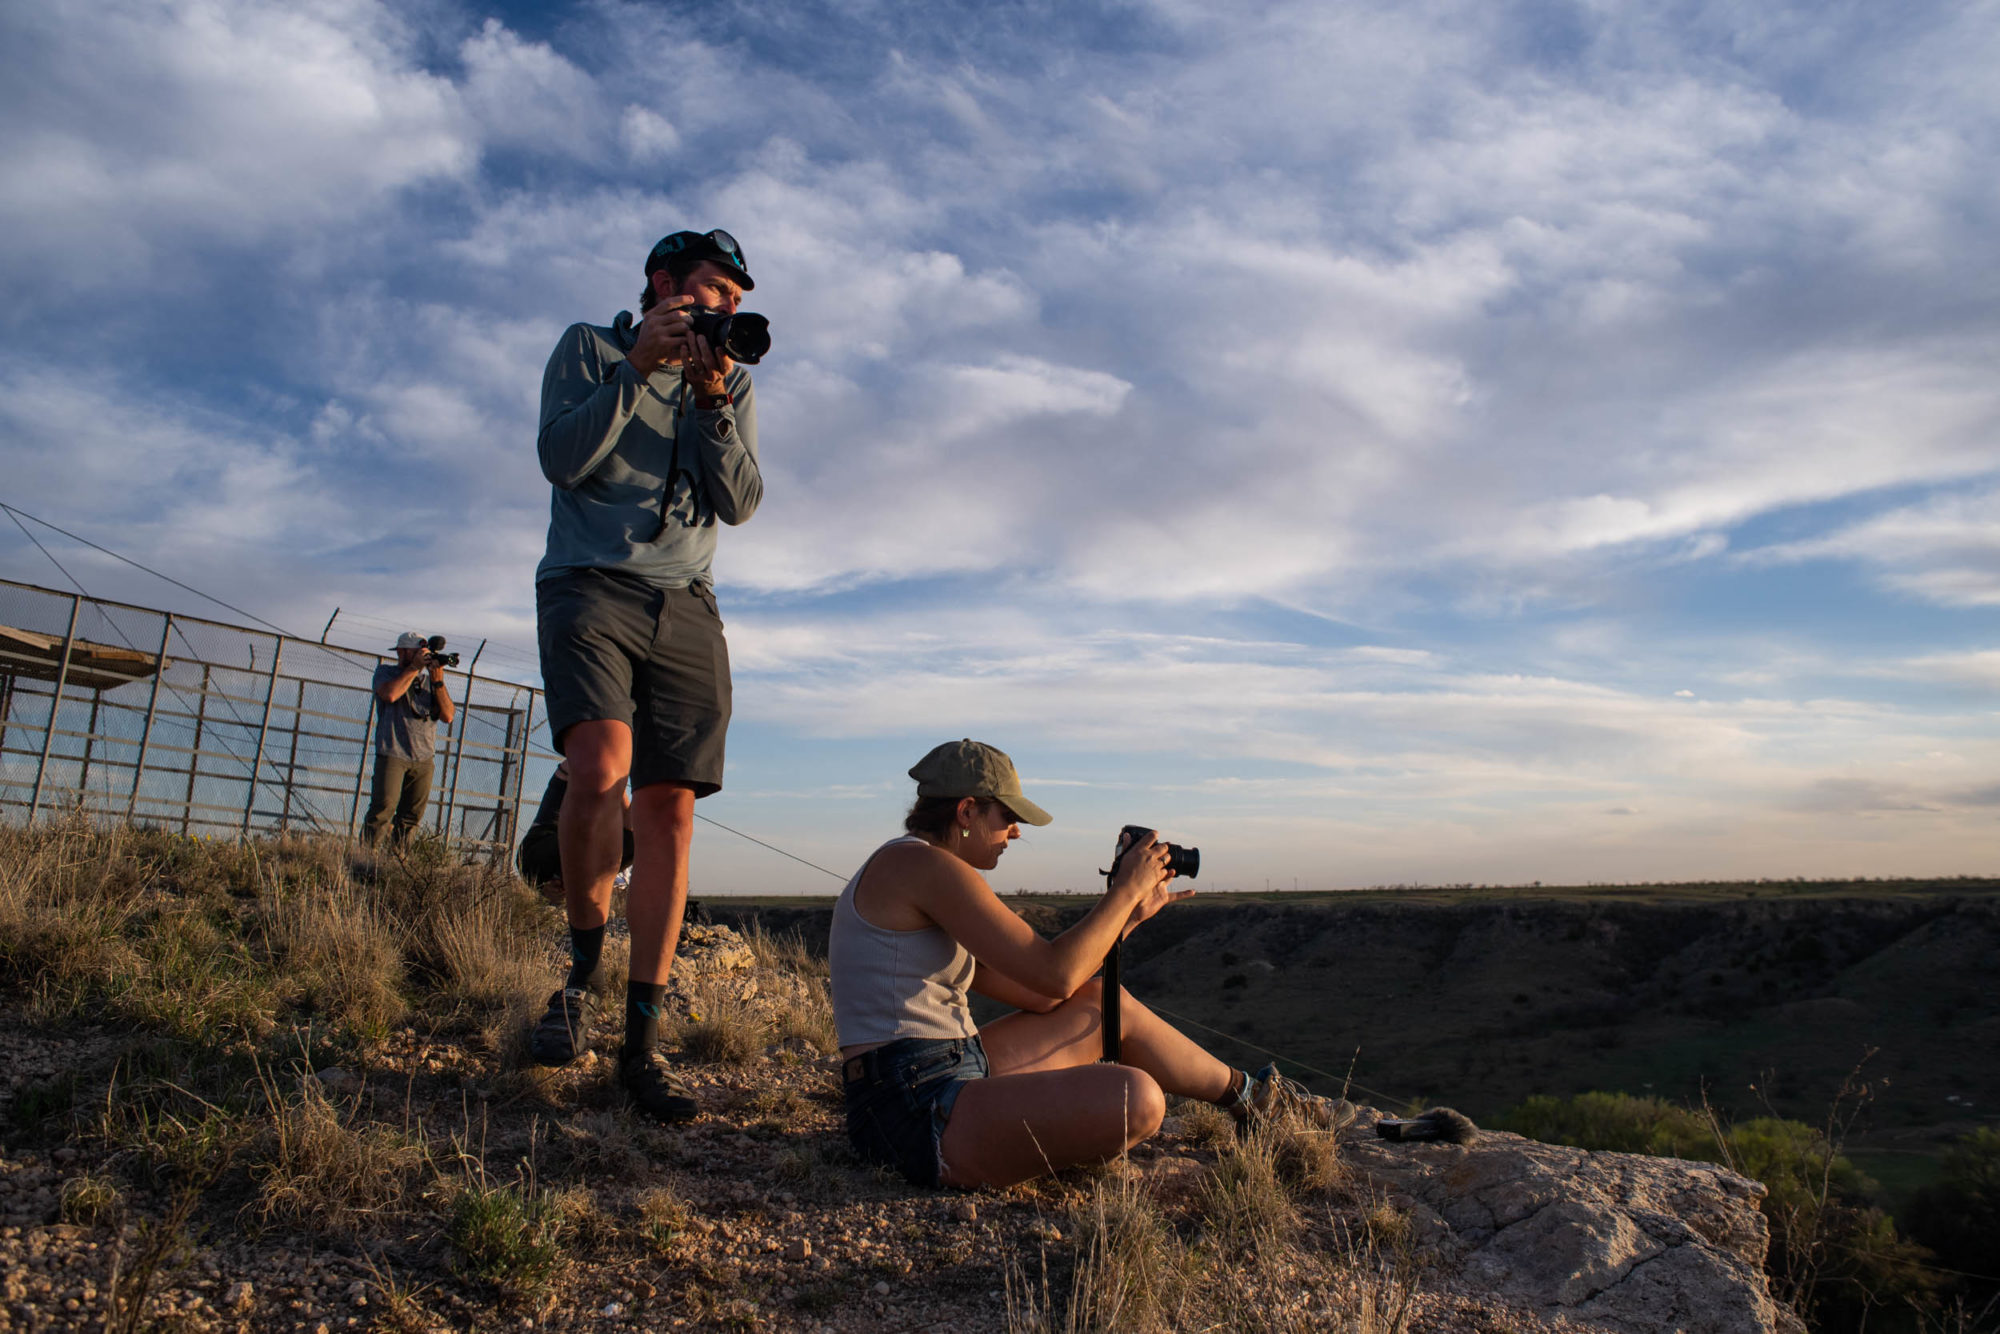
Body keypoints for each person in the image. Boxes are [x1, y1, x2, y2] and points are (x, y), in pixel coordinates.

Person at [831, 739, 1355, 1190]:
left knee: (1104, 1009)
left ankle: (1257, 1102)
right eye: (1007, 817)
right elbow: (1053, 972)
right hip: (909, 1108)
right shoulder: (920, 864)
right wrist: (1124, 889)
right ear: (966, 811)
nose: (1014, 832)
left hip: (941, 1071)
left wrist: (1126, 916)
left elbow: (1048, 994)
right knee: (1139, 1099)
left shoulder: (923, 872)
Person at [527, 227, 763, 1123]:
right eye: (711, 291)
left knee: (670, 810)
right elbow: (561, 458)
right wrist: (638, 370)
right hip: (588, 585)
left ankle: (641, 1041)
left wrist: (709, 402)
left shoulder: (733, 380)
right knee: (599, 769)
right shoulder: (590, 348)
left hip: (690, 603)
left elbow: (739, 502)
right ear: (664, 284)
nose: (724, 310)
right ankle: (581, 969)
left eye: (735, 301)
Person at [361, 631, 455, 846]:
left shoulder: (429, 682)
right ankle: (366, 860)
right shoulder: (386, 672)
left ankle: (400, 861)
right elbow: (391, 694)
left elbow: (448, 715)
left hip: (424, 758)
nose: (422, 657)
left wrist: (438, 680)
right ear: (402, 652)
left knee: (411, 818)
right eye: (416, 653)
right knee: (382, 811)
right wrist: (413, 668)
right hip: (392, 753)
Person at [516, 760, 635, 907]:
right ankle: (563, 885)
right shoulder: (584, 758)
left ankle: (564, 887)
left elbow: (630, 828)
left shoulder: (617, 772)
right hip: (541, 847)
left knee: (632, 843)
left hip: (576, 865)